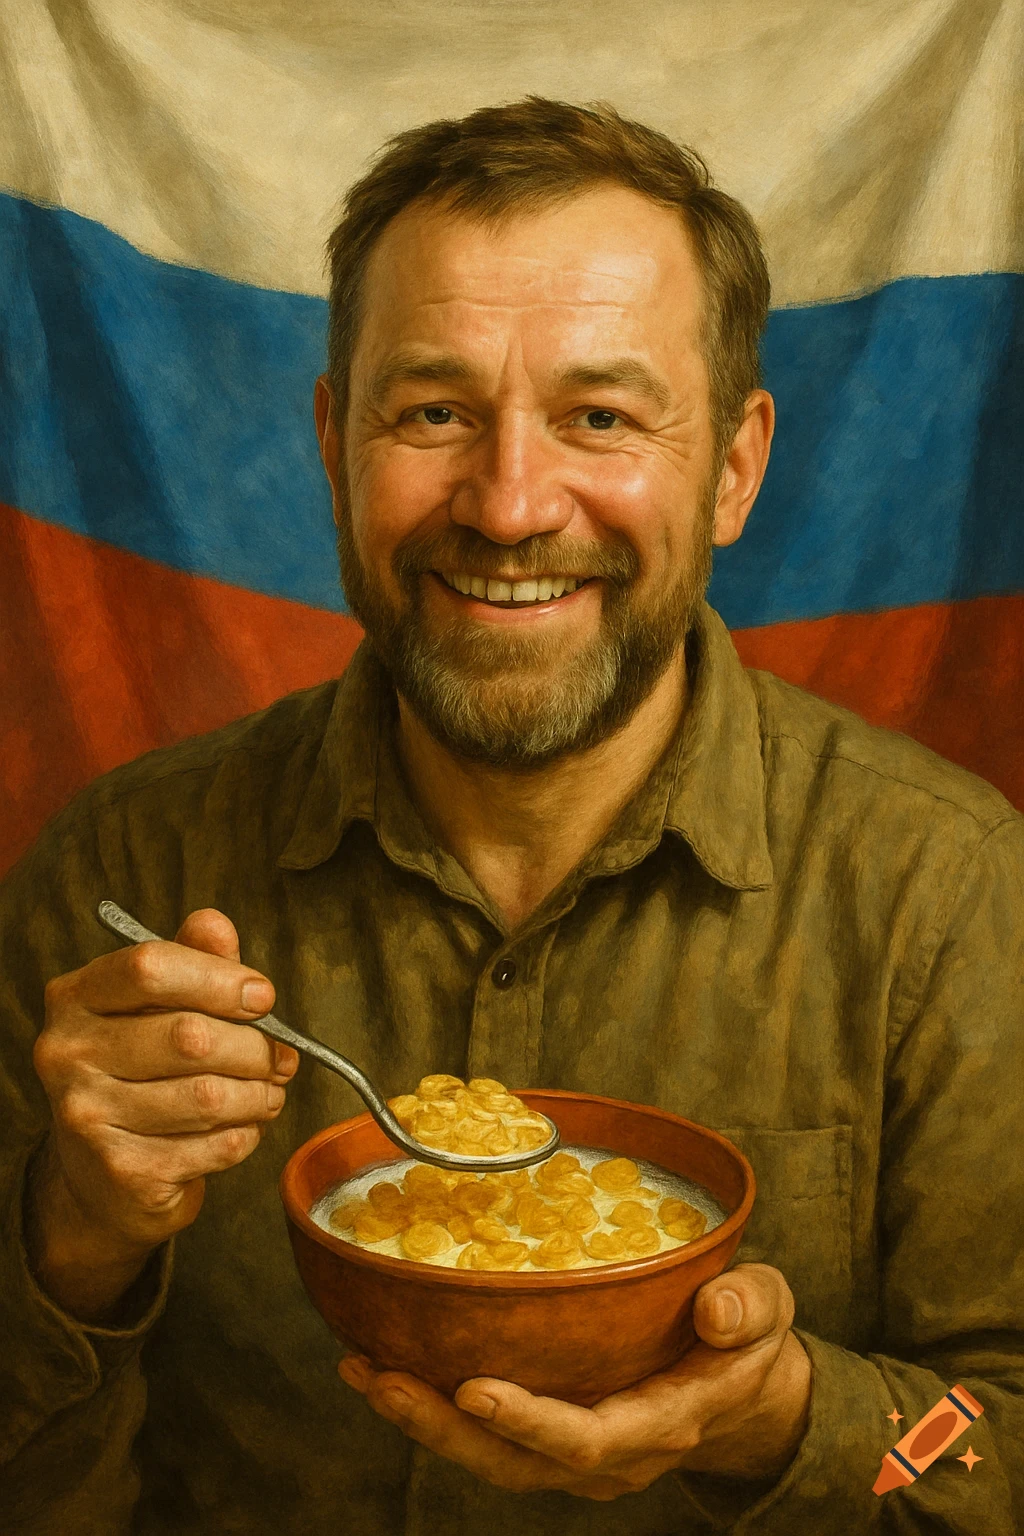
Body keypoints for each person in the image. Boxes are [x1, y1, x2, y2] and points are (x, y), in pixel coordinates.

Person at [1, 97, 1021, 1535]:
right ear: (334, 441)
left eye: (600, 416)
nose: (511, 502)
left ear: (733, 466)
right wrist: (71, 1238)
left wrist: (778, 1418)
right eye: (434, 412)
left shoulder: (957, 896)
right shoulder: (121, 873)